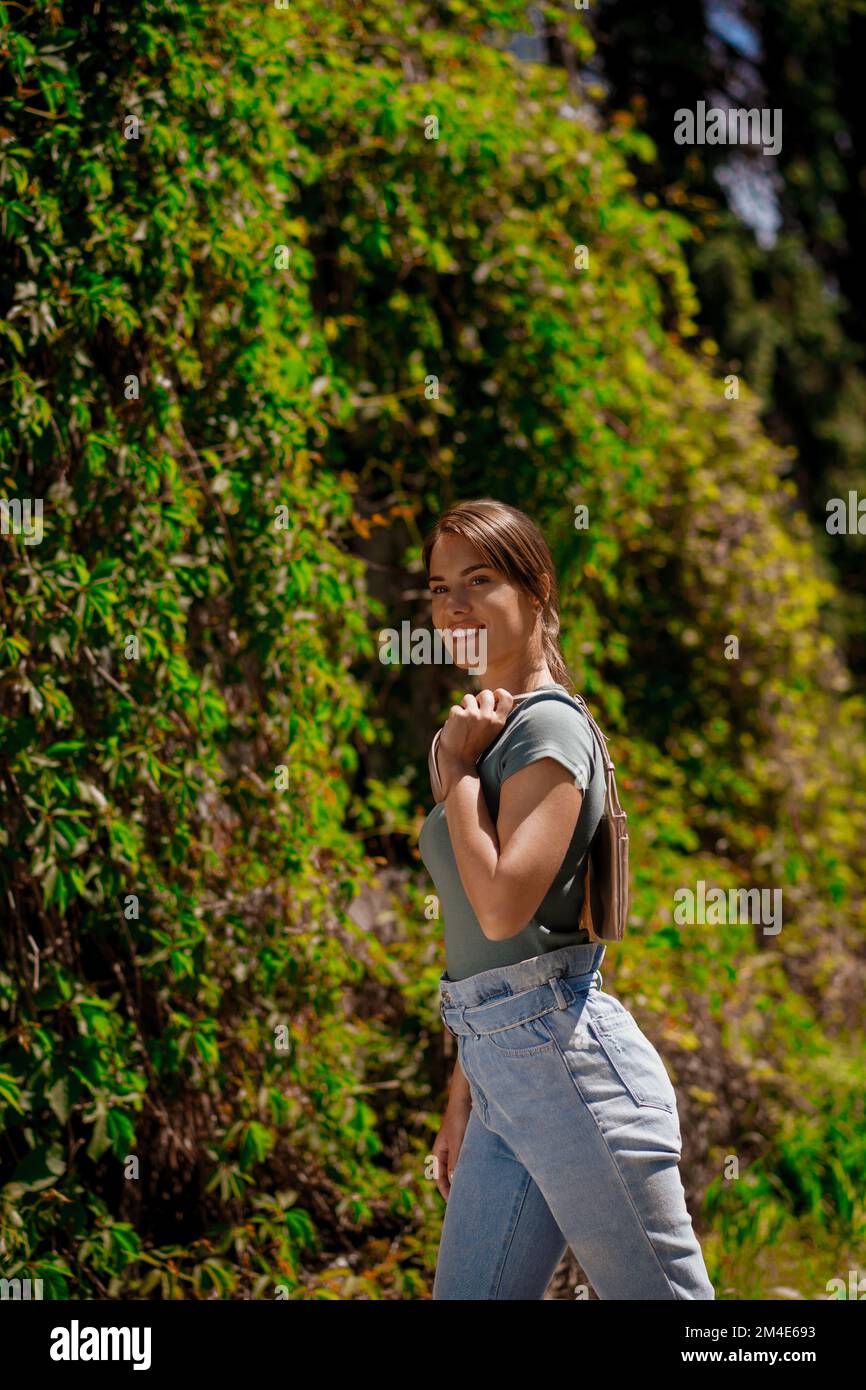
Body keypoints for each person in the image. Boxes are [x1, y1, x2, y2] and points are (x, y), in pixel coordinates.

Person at [419, 498, 715, 1300]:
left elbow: (502, 909)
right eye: (440, 586)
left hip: (569, 1068)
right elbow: (482, 953)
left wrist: (457, 776)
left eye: (478, 580)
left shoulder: (544, 730)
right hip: (503, 1076)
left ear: (537, 588)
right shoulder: (486, 735)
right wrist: (466, 1093)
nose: (454, 606)